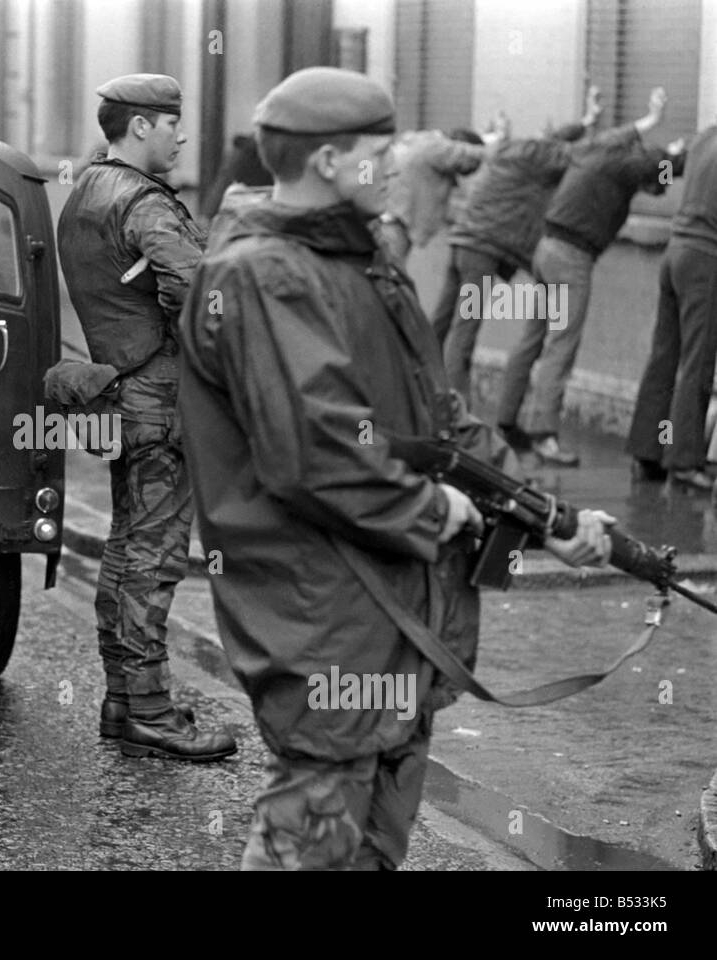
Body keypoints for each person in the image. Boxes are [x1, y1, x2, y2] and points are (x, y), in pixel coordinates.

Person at [177, 66, 613, 870]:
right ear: (331, 163)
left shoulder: (362, 260)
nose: (406, 171)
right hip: (323, 617)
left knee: (375, 846)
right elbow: (314, 456)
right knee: (310, 840)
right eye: (386, 153)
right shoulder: (262, 274)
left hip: (392, 613)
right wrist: (436, 514)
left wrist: (551, 520)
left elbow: (439, 424)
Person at [56, 73, 235, 761]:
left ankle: (126, 704)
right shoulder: (143, 202)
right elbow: (200, 294)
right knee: (153, 560)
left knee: (127, 549)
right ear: (139, 126)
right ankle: (149, 715)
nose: (181, 135)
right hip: (161, 401)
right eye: (171, 123)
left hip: (126, 397)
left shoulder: (88, 191)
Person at [436, 85, 662, 402]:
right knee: (465, 331)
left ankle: (424, 399)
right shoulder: (543, 158)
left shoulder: (519, 149)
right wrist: (645, 123)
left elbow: (575, 143)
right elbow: (593, 149)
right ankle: (454, 414)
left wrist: (586, 119)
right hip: (483, 253)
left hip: (462, 244)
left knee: (443, 323)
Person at [495, 87, 683, 467]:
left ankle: (505, 419)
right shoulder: (633, 165)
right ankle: (544, 436)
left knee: (533, 338)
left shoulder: (598, 148)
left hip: (546, 251)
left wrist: (651, 120)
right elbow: (663, 168)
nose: (651, 189)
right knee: (561, 344)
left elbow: (627, 138)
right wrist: (677, 155)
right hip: (570, 261)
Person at [625, 118, 717, 490]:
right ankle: (683, 460)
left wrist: (658, 179)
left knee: (664, 358)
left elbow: (668, 166)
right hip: (706, 260)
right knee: (697, 363)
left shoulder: (706, 136)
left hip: (675, 252)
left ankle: (649, 451)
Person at [376, 127, 487, 266]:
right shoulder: (437, 147)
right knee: (389, 273)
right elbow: (466, 154)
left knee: (387, 270)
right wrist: (500, 148)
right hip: (394, 222)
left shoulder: (421, 142)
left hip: (390, 215)